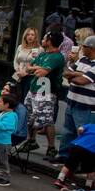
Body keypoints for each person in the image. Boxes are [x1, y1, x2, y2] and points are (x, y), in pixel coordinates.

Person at [23, 30, 67, 159]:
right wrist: (37, 68)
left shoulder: (57, 57)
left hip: (46, 91)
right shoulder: (42, 54)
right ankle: (31, 140)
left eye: (44, 38)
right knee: (30, 116)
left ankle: (51, 147)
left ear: (50, 41)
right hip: (33, 89)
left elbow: (41, 73)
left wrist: (36, 68)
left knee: (47, 119)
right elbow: (28, 68)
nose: (42, 40)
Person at [60, 34, 95, 151]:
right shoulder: (82, 59)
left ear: (92, 48)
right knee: (67, 131)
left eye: (84, 46)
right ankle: (63, 155)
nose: (81, 48)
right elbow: (65, 73)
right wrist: (78, 73)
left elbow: (82, 81)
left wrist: (73, 77)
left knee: (82, 133)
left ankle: (78, 161)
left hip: (85, 106)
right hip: (71, 101)